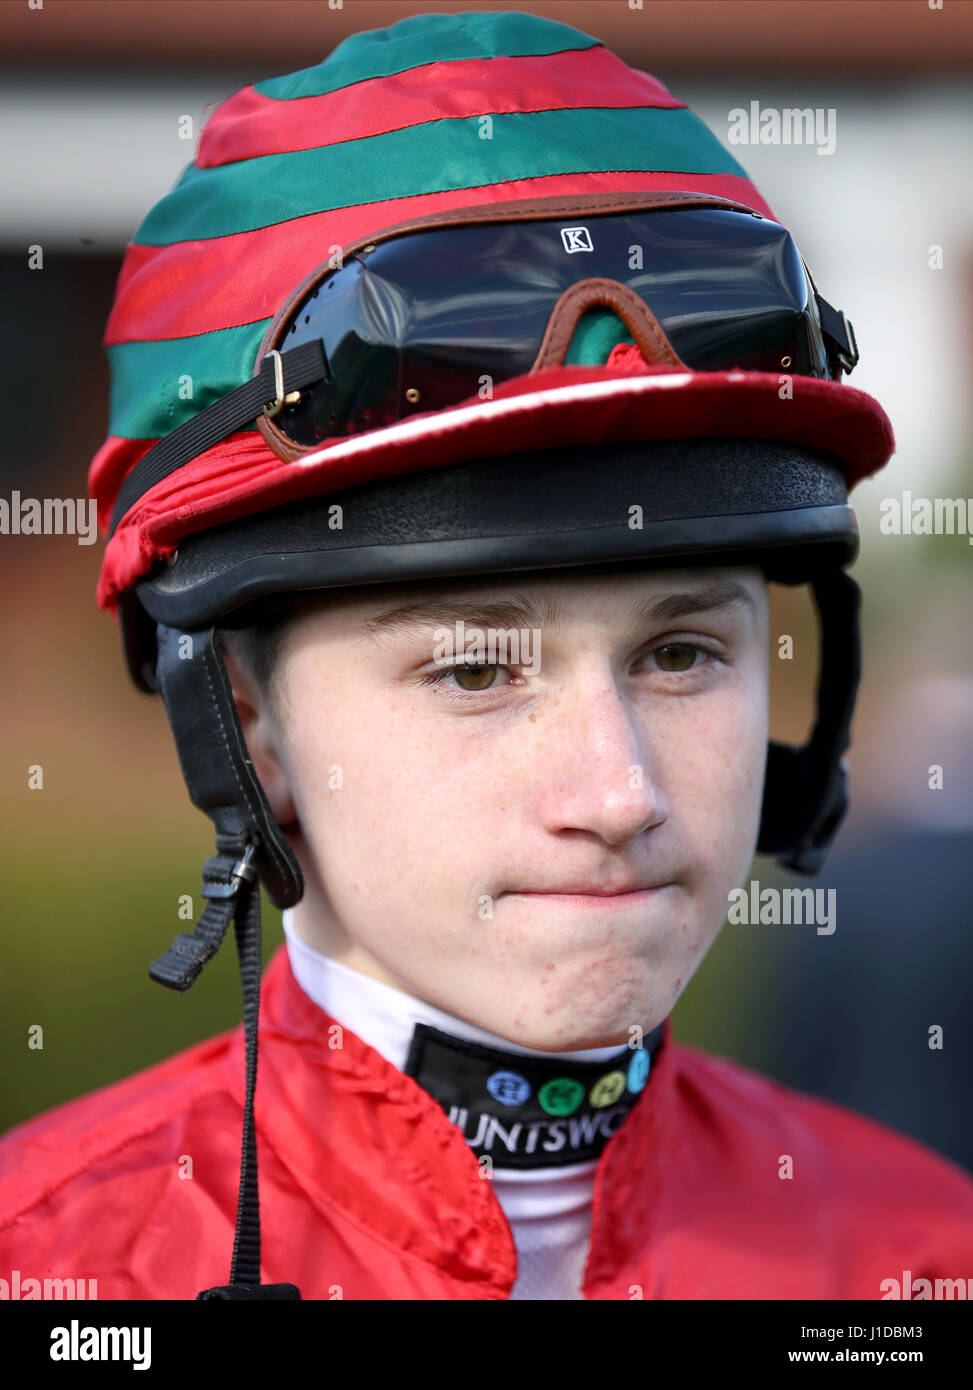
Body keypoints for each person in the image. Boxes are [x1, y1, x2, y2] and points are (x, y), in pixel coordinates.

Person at [1, 8, 971, 1302]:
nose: (617, 794)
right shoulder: (45, 1270)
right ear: (242, 716)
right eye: (473, 670)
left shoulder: (930, 1257)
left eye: (679, 654)